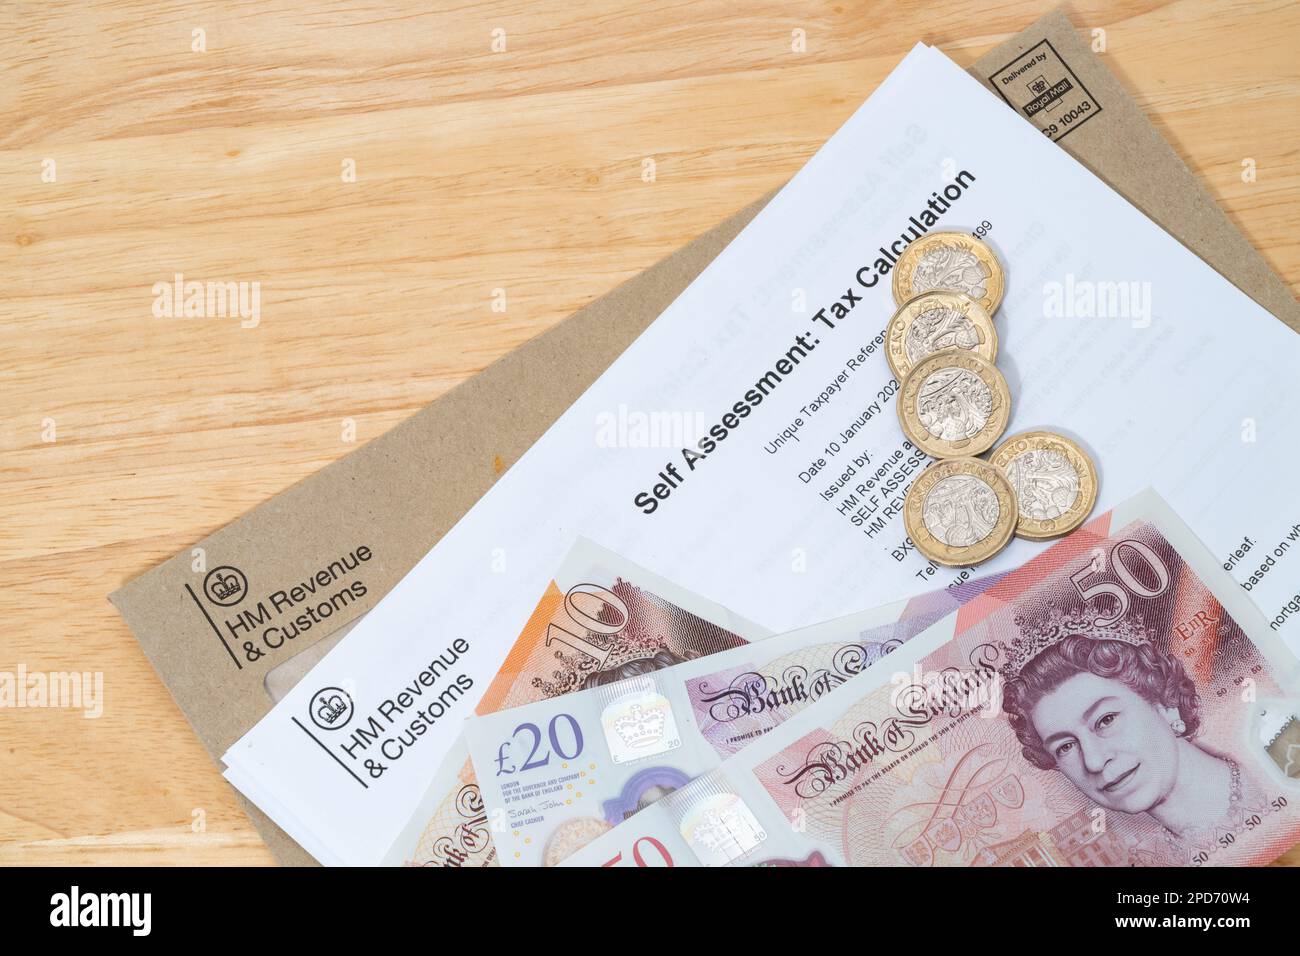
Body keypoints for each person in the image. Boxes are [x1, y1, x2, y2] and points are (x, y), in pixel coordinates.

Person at [1002, 632, 1239, 838]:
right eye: (1065, 747)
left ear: (1166, 703)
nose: (1093, 762)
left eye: (1106, 720)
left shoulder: (1266, 777)